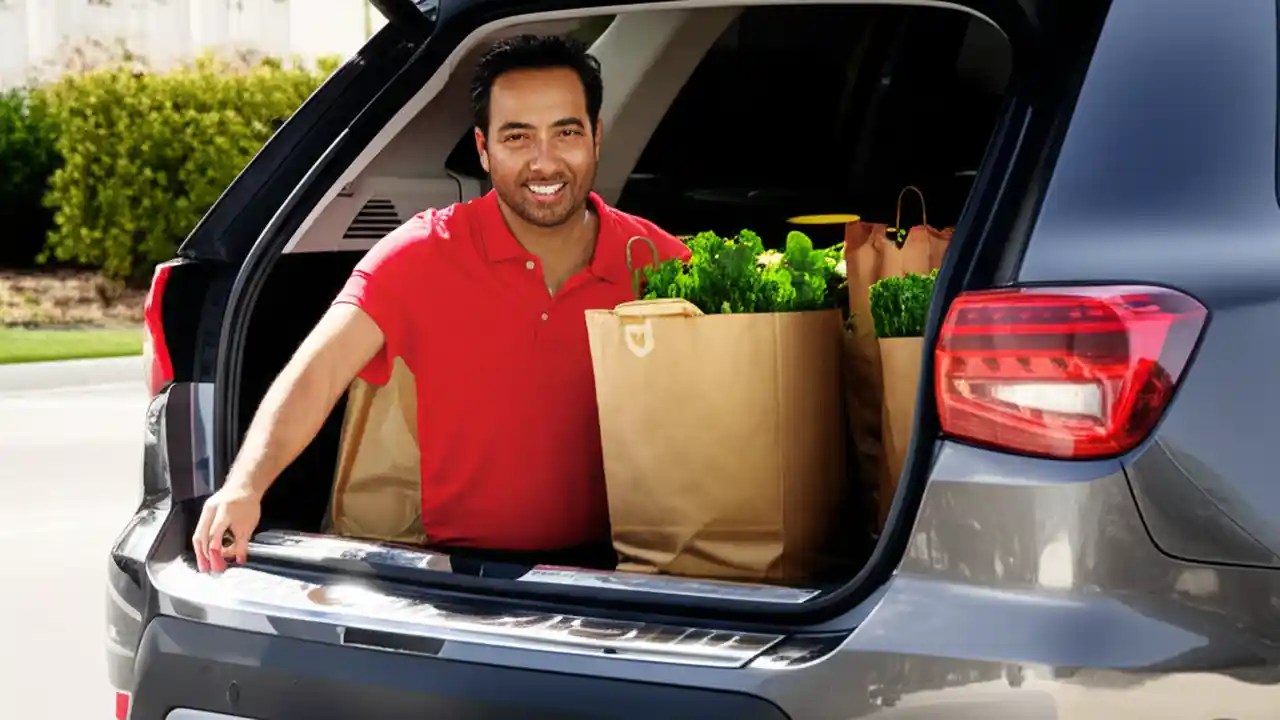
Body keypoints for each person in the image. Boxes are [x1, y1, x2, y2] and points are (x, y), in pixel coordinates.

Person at [191, 34, 690, 573]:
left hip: (620, 582)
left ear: (596, 136)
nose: (545, 162)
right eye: (517, 137)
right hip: (455, 581)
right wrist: (244, 486)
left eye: (565, 132)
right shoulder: (422, 253)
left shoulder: (658, 261)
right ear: (483, 147)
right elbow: (318, 370)